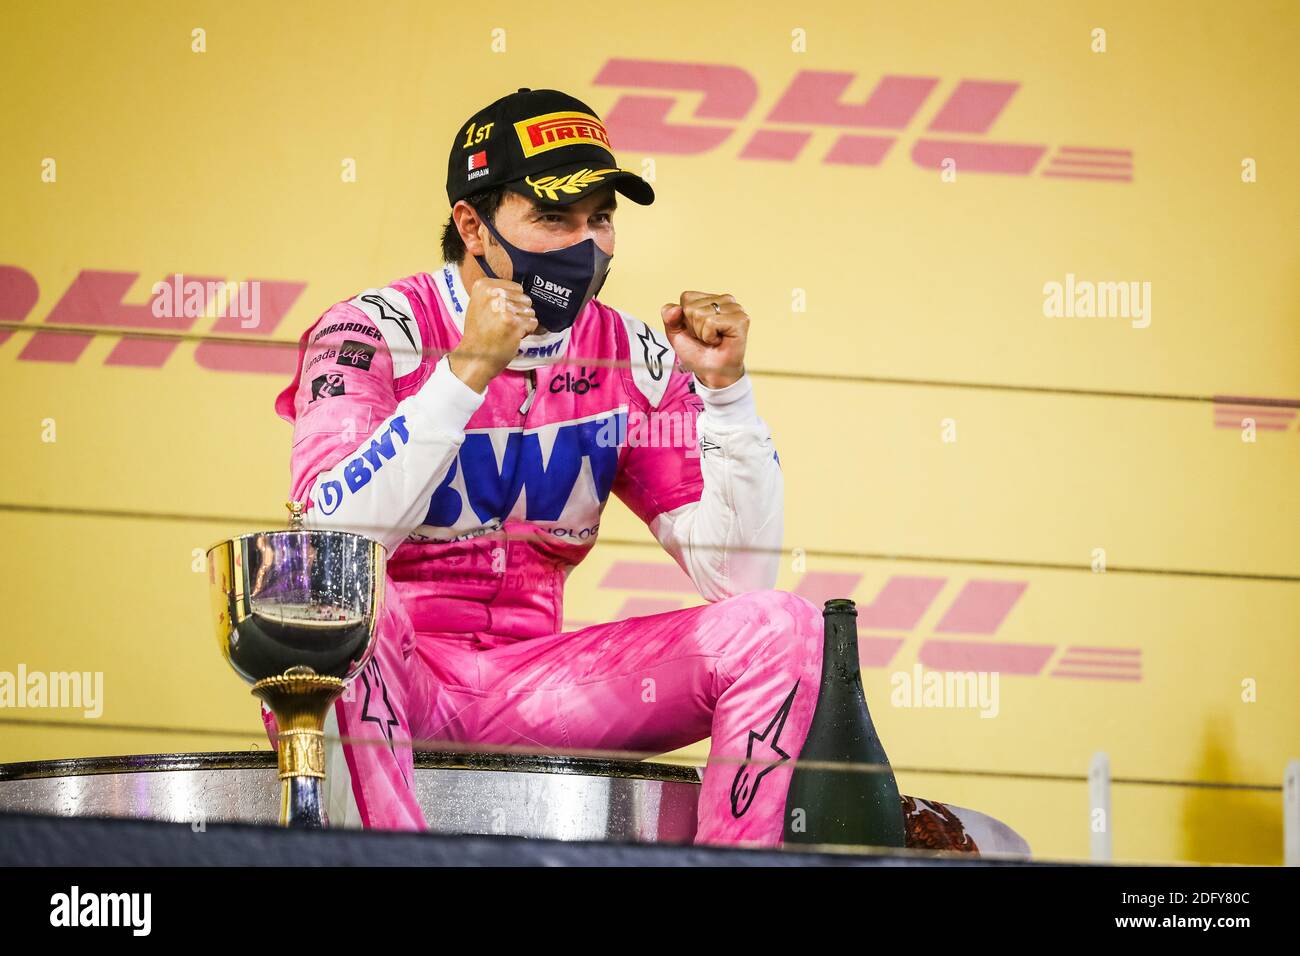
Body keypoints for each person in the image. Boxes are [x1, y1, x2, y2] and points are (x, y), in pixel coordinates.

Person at [266, 87, 824, 846]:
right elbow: (328, 542)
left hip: (543, 693)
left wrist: (728, 396)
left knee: (780, 624)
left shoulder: (633, 354)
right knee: (327, 590)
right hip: (393, 678)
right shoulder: (369, 332)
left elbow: (740, 583)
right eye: (553, 217)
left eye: (599, 217)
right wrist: (463, 374)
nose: (584, 243)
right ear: (473, 224)